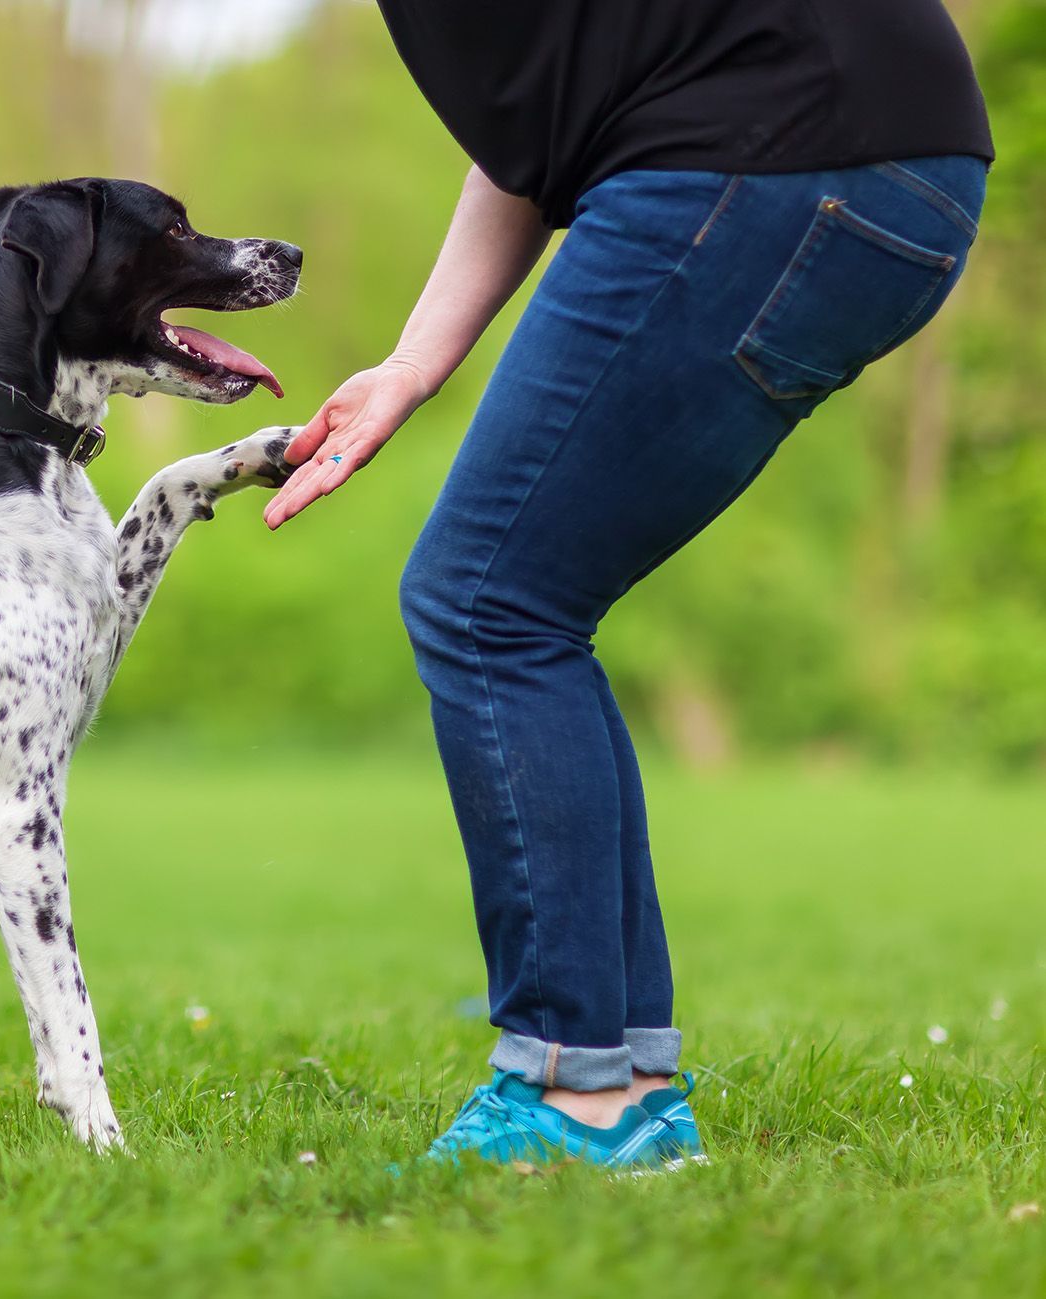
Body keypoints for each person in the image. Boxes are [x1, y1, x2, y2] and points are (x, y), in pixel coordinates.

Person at [263, 0, 993, 1169]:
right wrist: (411, 363)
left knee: (487, 604)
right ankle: (631, 1088)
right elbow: (544, 131)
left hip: (770, 153)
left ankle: (570, 1094)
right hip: (891, 169)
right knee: (528, 607)